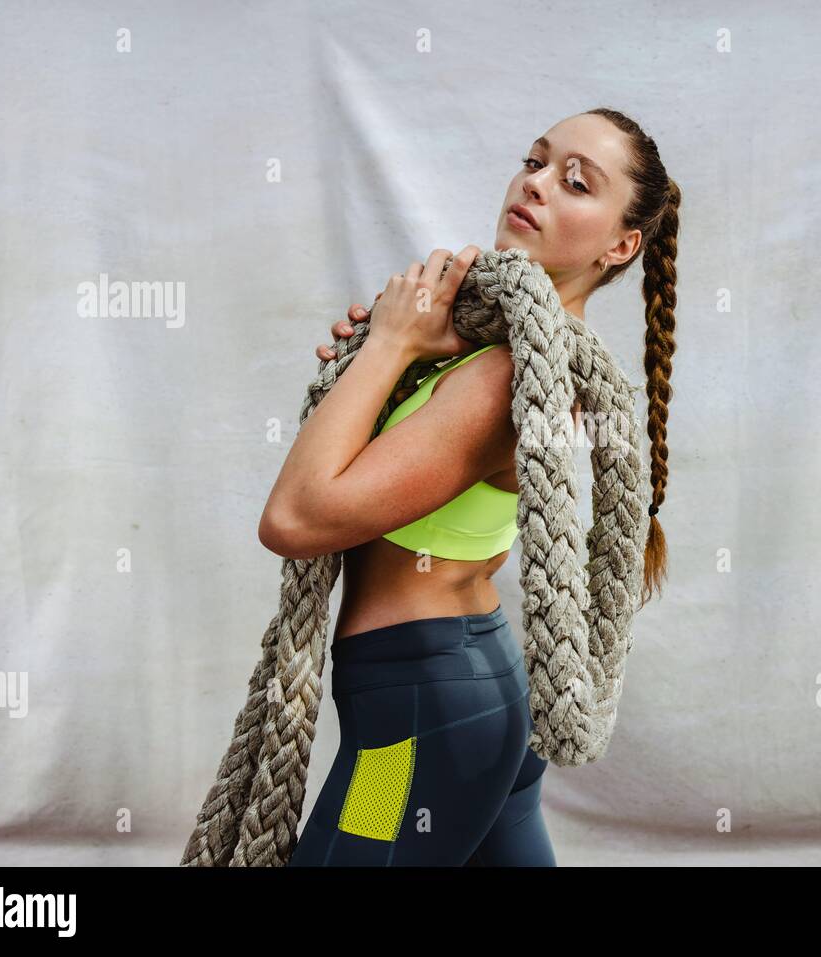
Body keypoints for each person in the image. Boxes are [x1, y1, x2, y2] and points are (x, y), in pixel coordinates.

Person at [259, 108, 680, 866]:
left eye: (577, 182)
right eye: (537, 159)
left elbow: (296, 516)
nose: (537, 182)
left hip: (413, 727)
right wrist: (381, 365)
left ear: (622, 245)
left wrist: (389, 344)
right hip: (471, 697)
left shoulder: (503, 379)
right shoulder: (490, 349)